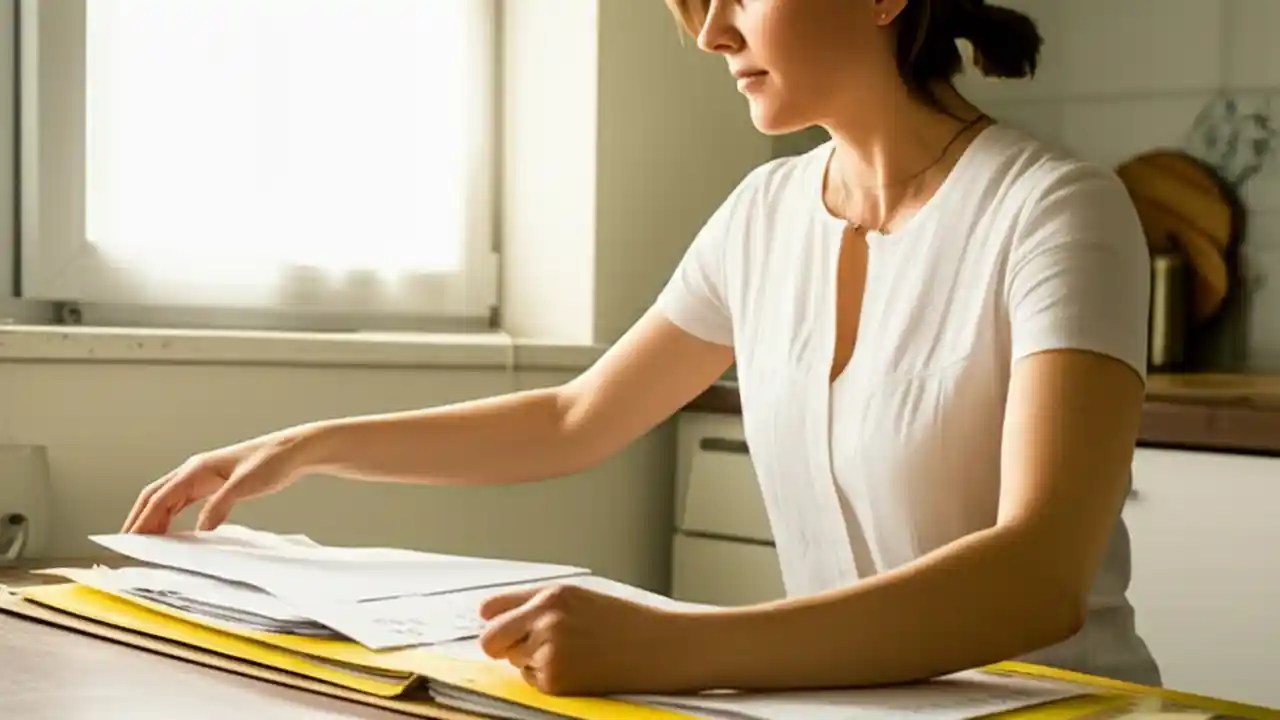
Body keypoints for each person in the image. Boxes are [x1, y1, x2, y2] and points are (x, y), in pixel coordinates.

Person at [123, 0, 1162, 698]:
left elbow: (1037, 577)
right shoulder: (765, 210)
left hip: (1060, 708)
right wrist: (308, 444)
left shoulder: (1054, 210)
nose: (709, 31)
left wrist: (678, 646)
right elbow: (579, 418)